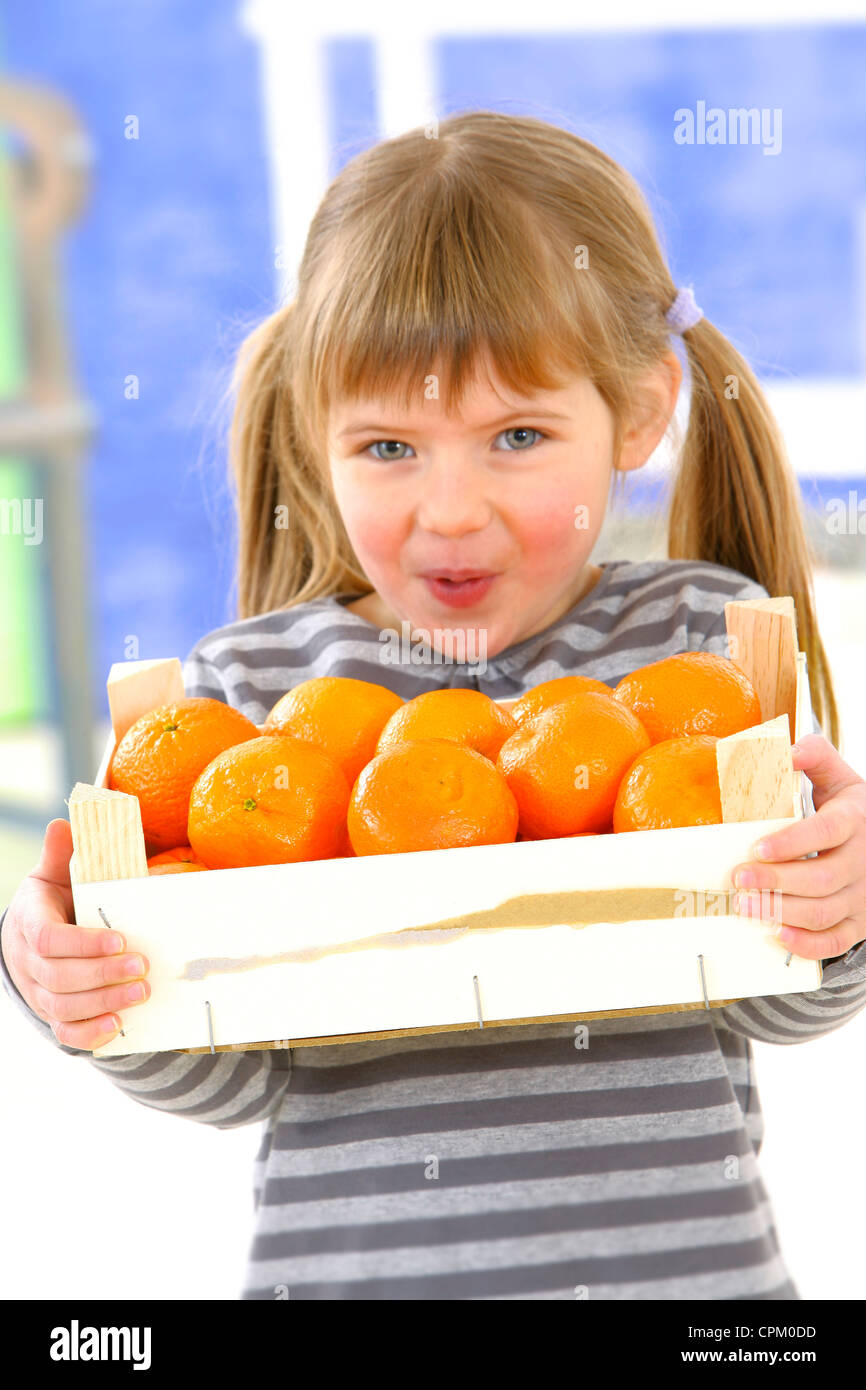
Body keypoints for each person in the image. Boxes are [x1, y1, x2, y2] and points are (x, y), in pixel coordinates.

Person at [2, 110, 866, 1301]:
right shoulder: (250, 699)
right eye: (388, 447)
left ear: (638, 409)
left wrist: (840, 901)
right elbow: (230, 1073)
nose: (448, 510)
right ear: (317, 429)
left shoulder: (696, 646)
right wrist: (94, 989)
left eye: (515, 434)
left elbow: (776, 988)